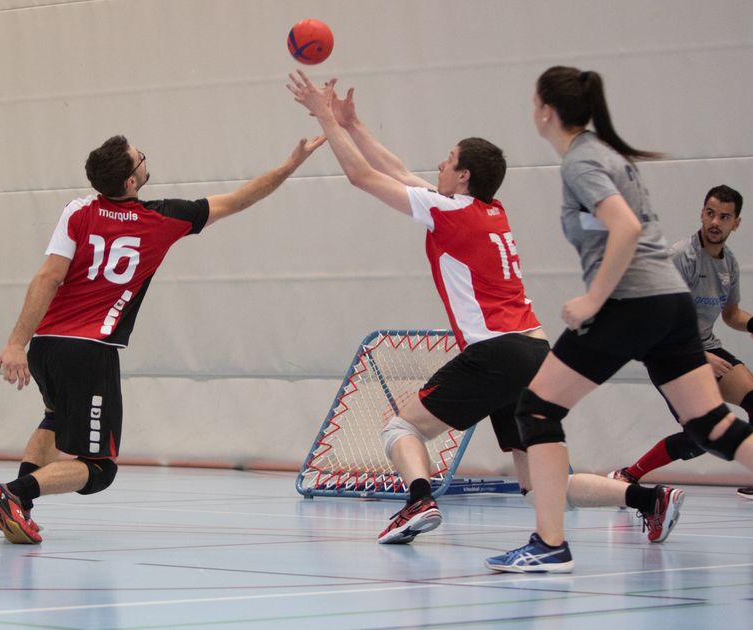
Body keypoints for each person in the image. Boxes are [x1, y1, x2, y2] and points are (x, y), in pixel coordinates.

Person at [287, 70, 685, 547]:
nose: (439, 163)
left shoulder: (449, 212)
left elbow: (363, 176)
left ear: (464, 175)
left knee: (401, 427)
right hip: (537, 353)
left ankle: (418, 500)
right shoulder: (489, 211)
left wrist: (326, 117)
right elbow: (397, 171)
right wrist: (355, 126)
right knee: (539, 480)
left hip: (496, 351)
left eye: (448, 159)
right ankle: (649, 500)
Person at [489, 65, 753, 574]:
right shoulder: (607, 153)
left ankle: (550, 544)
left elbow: (626, 226)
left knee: (537, 410)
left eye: (533, 101)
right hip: (670, 305)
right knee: (712, 424)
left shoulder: (582, 161)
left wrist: (594, 299)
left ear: (546, 109)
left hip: (631, 305)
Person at [0, 132, 325, 543]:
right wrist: (289, 165)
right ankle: (14, 493)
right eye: (140, 158)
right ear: (130, 182)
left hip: (47, 345)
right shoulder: (162, 219)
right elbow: (238, 200)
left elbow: (48, 277)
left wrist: (17, 342)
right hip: (91, 351)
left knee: (55, 420)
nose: (145, 159)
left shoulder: (78, 210)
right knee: (99, 468)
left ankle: (19, 507)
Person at [609, 185, 753, 508]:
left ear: (736, 223)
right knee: (700, 439)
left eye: (724, 216)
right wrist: (699, 358)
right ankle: (629, 474)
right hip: (669, 354)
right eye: (710, 213)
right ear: (701, 214)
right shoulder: (682, 257)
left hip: (704, 348)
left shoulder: (729, 264)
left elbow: (731, 314)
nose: (715, 222)